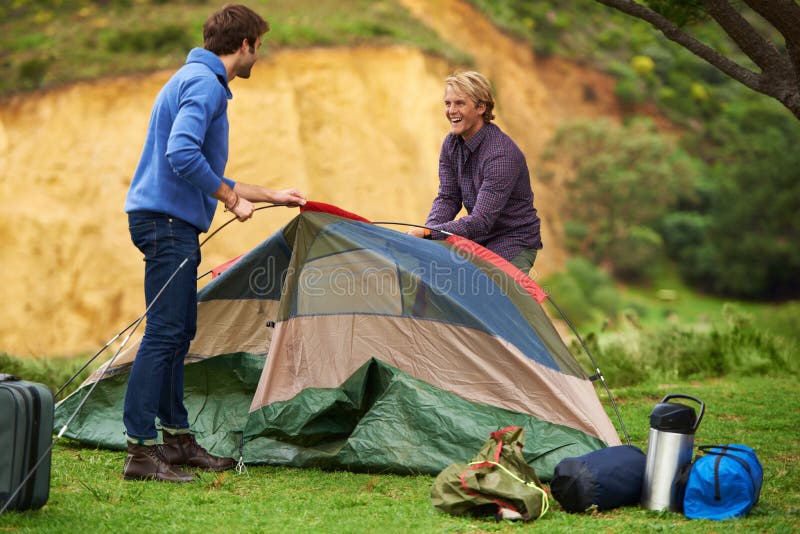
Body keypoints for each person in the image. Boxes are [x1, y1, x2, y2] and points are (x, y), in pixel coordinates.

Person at [122, 4, 306, 482]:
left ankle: (177, 441)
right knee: (164, 334)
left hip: (165, 221)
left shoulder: (193, 78)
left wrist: (271, 196)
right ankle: (141, 452)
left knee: (178, 334)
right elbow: (181, 152)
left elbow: (200, 167)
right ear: (244, 44)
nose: (257, 57)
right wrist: (228, 198)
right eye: (257, 47)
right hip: (167, 225)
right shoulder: (205, 85)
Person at [407, 71, 542, 273]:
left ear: (481, 107)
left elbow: (481, 221)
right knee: (433, 276)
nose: (451, 110)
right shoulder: (451, 144)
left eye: (459, 103)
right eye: (447, 103)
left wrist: (428, 233)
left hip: (514, 241)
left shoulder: (501, 156)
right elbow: (448, 197)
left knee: (483, 294)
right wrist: (428, 236)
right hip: (480, 237)